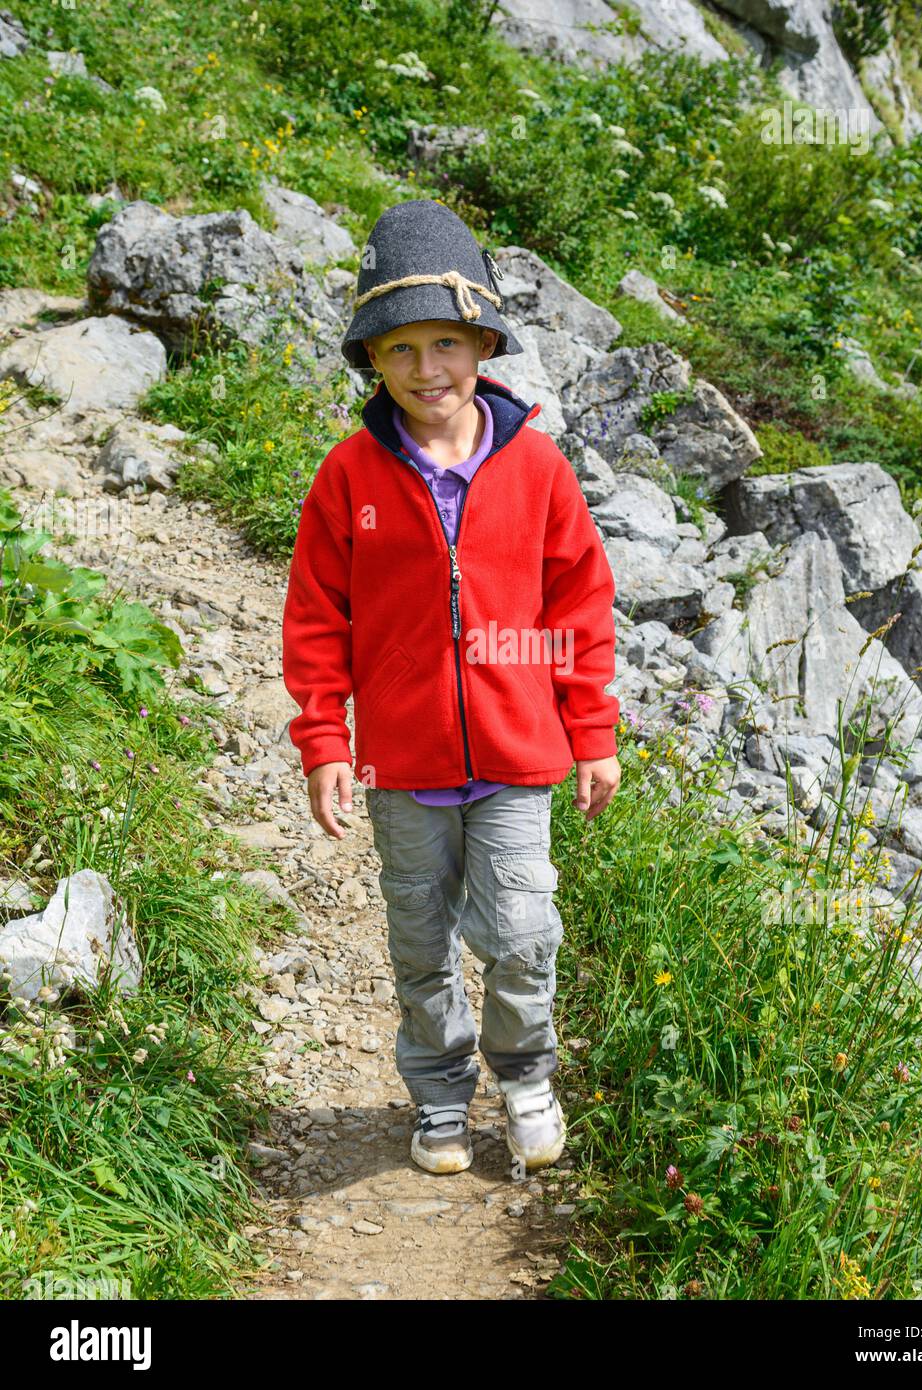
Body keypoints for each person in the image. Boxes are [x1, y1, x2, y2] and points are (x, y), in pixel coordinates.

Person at [281, 199, 622, 1177]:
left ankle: (522, 1078)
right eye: (399, 350)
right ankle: (437, 1095)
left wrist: (589, 729)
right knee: (421, 939)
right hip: (400, 763)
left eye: (444, 344)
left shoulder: (535, 466)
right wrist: (326, 743)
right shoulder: (347, 477)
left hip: (518, 753)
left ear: (480, 343)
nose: (426, 371)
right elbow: (315, 621)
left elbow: (580, 601)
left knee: (519, 929)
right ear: (371, 362)